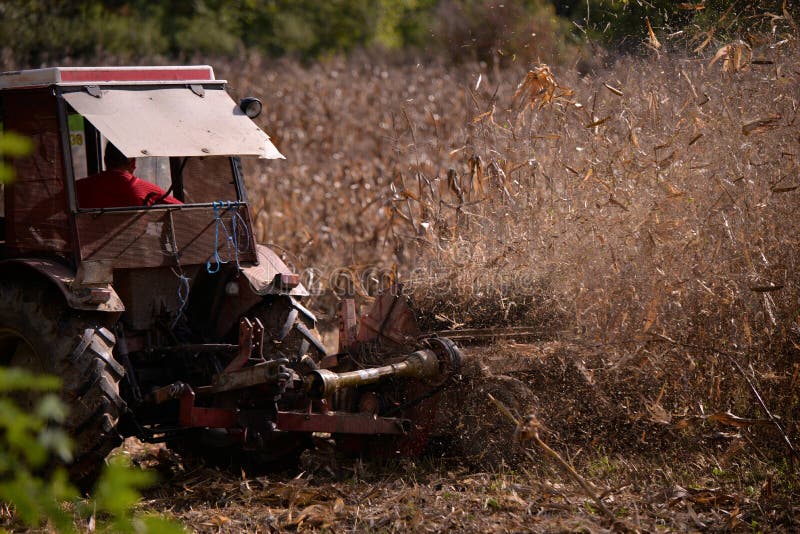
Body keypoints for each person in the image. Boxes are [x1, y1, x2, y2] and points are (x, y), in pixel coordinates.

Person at [77, 143, 182, 208]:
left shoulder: (78, 188)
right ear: (133, 163)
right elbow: (185, 212)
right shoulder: (147, 191)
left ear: (105, 160)